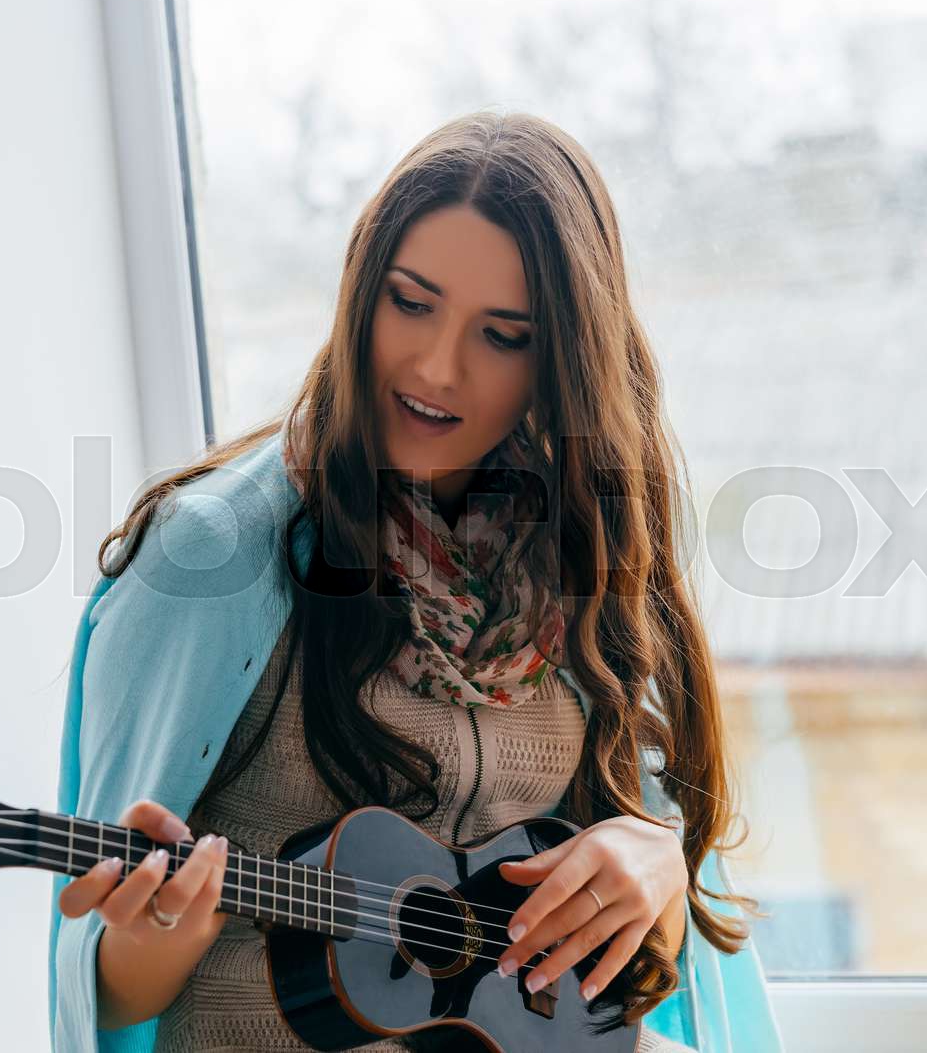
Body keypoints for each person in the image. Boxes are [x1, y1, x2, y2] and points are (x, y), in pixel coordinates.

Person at [49, 111, 783, 1052]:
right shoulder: (212, 557)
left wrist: (655, 874)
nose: (438, 366)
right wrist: (150, 940)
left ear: (561, 359)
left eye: (503, 335)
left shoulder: (575, 550)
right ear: (362, 294)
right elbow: (97, 999)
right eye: (411, 301)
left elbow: (641, 967)